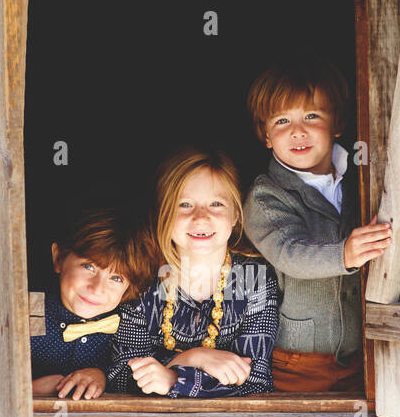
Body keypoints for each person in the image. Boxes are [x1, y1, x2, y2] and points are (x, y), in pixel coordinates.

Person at [242, 56, 392, 392]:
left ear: (336, 123)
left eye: (311, 115)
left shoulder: (363, 179)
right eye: (281, 121)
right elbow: (290, 254)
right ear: (265, 136)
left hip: (364, 356)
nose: (297, 131)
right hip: (295, 361)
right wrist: (345, 254)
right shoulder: (266, 196)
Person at [107, 147, 279, 398]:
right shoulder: (143, 276)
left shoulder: (254, 279)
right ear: (163, 215)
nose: (201, 217)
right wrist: (196, 358)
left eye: (216, 204)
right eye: (184, 204)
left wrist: (172, 377)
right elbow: (121, 376)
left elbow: (255, 381)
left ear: (235, 215)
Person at [30, 207, 154, 400]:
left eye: (116, 278)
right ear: (59, 259)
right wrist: (29, 389)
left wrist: (102, 376)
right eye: (88, 267)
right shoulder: (29, 310)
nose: (97, 288)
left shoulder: (130, 323)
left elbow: (133, 378)